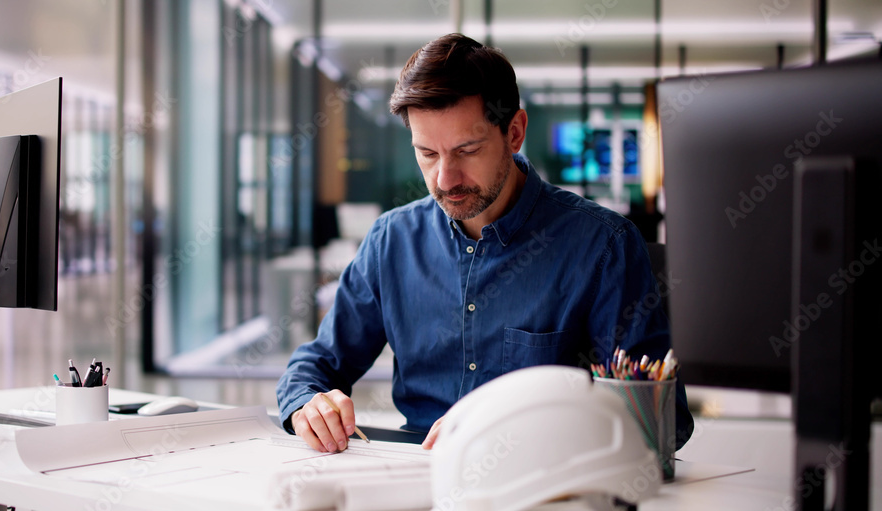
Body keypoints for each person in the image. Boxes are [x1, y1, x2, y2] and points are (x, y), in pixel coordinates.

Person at [276, 33, 693, 453]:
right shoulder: (392, 241)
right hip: (419, 479)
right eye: (428, 154)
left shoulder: (604, 246)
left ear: (514, 133)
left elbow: (663, 422)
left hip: (544, 485)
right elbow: (316, 364)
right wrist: (309, 403)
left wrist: (513, 423)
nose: (444, 179)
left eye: (467, 150)